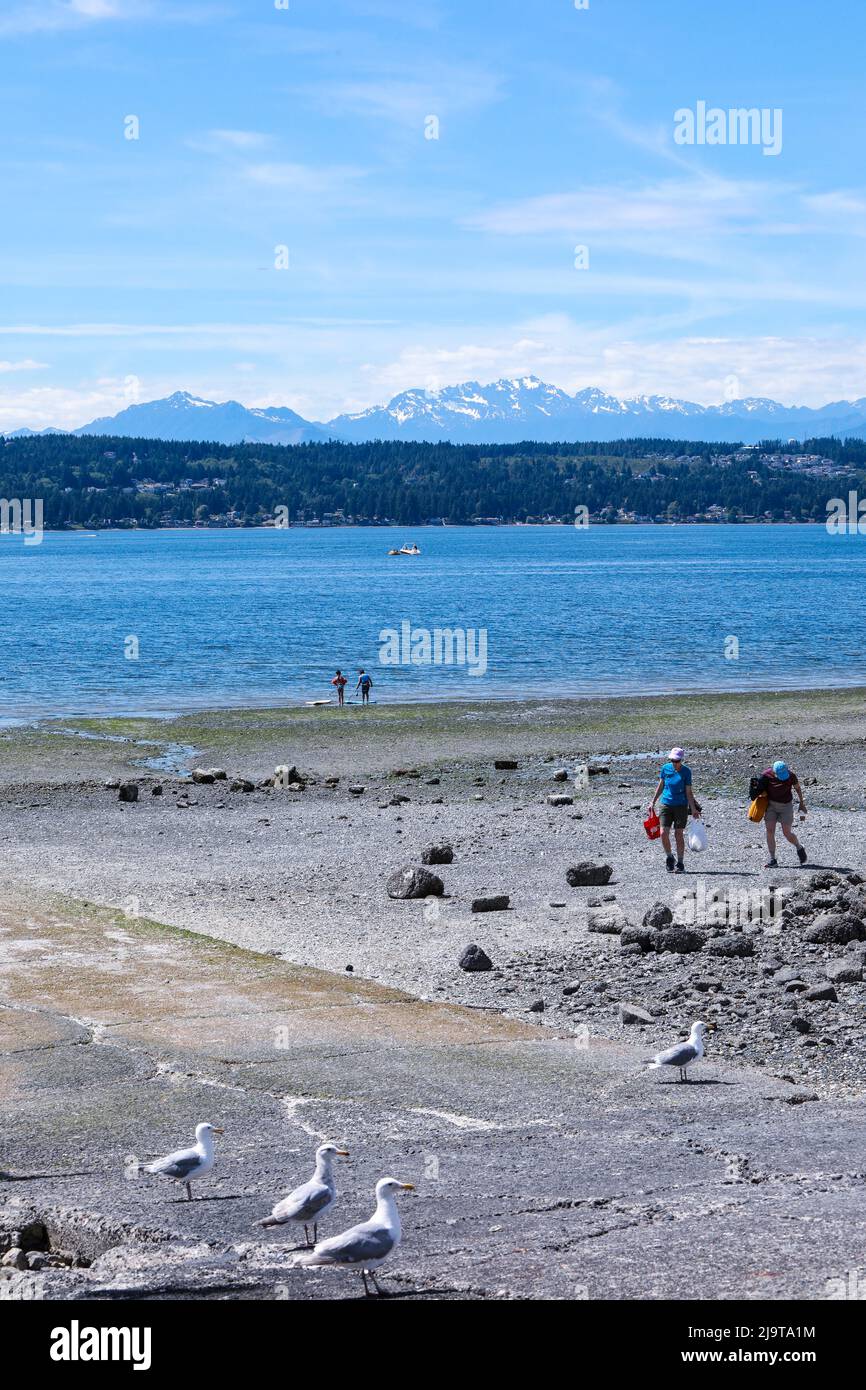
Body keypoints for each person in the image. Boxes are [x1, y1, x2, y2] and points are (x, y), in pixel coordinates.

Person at [650, 746, 702, 874]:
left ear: (681, 760)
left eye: (677, 761)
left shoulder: (686, 772)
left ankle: (680, 862)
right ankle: (669, 857)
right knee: (663, 833)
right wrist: (653, 801)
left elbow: (688, 792)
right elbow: (661, 785)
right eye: (672, 760)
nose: (674, 763)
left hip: (681, 806)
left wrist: (694, 809)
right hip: (666, 804)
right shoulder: (665, 769)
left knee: (678, 834)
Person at [755, 760, 807, 868]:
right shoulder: (766, 776)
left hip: (786, 806)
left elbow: (797, 788)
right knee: (770, 831)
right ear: (774, 772)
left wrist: (801, 803)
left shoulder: (791, 775)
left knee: (787, 833)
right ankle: (773, 859)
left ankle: (799, 847)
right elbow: (758, 789)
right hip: (771, 806)